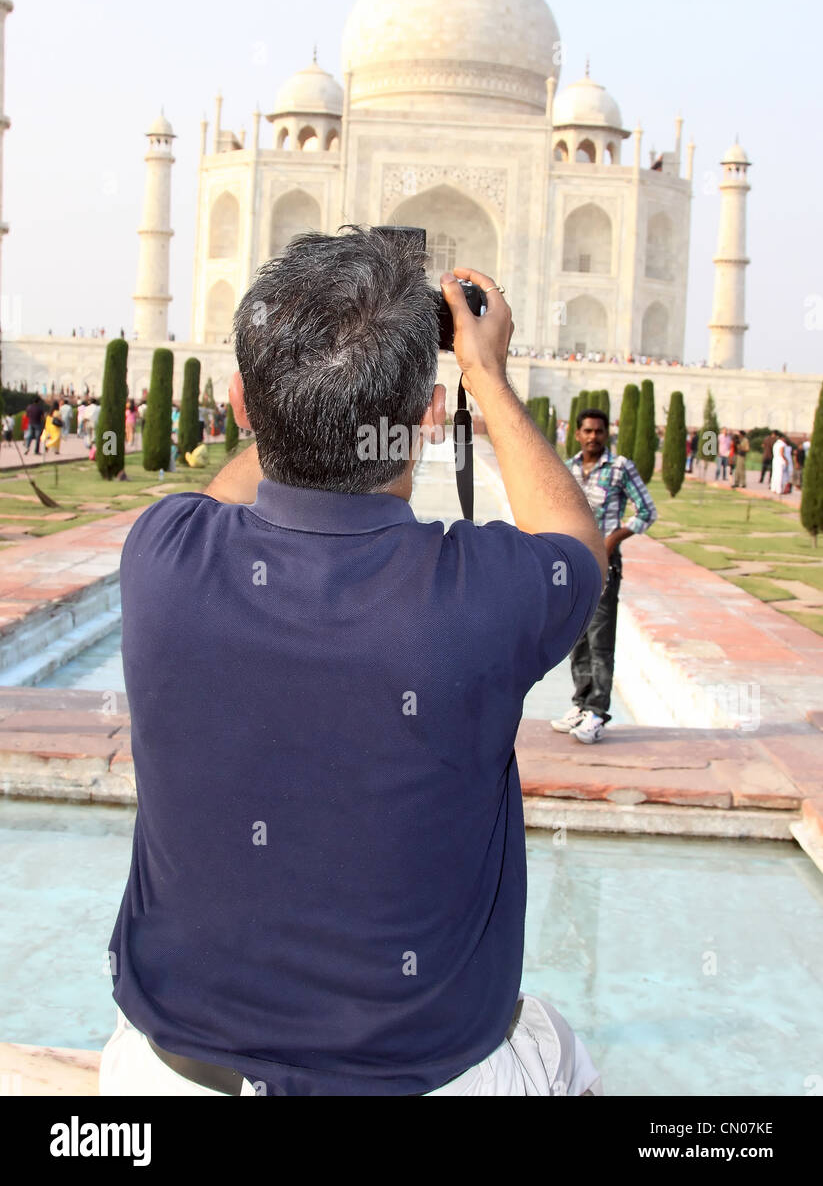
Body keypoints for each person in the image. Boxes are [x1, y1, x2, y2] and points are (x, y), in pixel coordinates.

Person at [99, 228, 608, 1098]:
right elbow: (574, 543)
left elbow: (233, 487)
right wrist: (485, 376)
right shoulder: (478, 597)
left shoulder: (163, 556)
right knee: (558, 1049)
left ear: (240, 405)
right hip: (424, 1076)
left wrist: (304, 400)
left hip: (170, 1072)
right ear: (426, 420)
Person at [551, 407, 657, 744]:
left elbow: (647, 511)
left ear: (606, 433)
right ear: (578, 434)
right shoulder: (569, 468)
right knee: (576, 636)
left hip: (605, 564)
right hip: (575, 562)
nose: (593, 437)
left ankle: (597, 710)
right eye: (587, 431)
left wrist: (612, 539)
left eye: (599, 431)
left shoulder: (620, 468)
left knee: (600, 638)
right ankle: (581, 703)